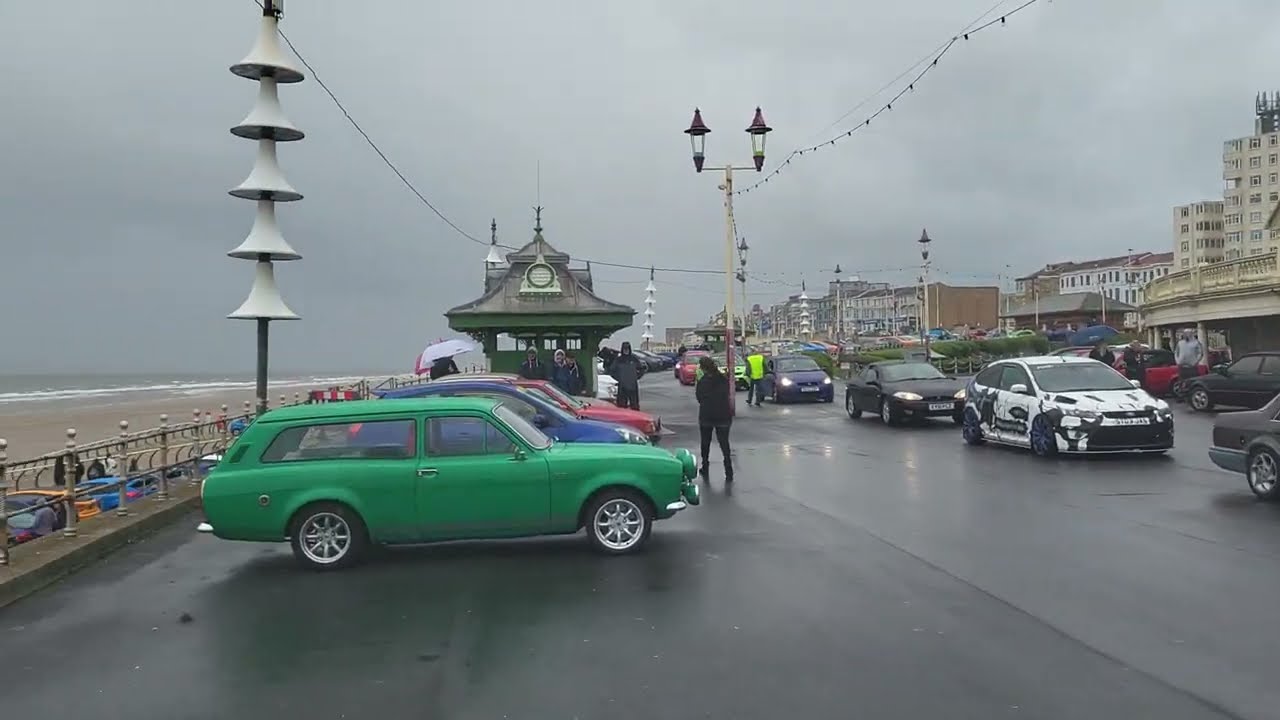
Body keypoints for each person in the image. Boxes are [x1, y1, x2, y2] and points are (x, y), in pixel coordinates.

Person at [694, 355, 733, 482]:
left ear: (703, 368)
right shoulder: (723, 379)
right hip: (723, 415)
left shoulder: (702, 382)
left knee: (705, 443)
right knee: (724, 443)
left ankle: (705, 466)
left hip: (707, 416)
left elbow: (699, 398)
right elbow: (727, 393)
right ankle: (728, 470)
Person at [608, 341, 644, 409]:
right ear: (622, 349)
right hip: (622, 386)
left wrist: (637, 376)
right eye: (624, 349)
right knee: (621, 405)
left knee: (634, 405)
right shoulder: (618, 360)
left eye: (627, 349)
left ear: (629, 349)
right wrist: (619, 378)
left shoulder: (634, 359)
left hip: (633, 385)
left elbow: (641, 369)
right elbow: (611, 371)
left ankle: (635, 417)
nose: (626, 350)